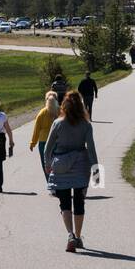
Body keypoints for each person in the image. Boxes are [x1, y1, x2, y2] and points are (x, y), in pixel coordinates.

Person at [44, 91, 99, 252]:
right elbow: (92, 150)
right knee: (79, 202)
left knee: (65, 202)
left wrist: (48, 165)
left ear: (64, 106)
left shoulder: (58, 123)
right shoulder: (86, 125)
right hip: (81, 167)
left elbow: (47, 149)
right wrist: (96, 173)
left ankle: (70, 234)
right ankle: (79, 236)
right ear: (81, 106)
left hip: (61, 167)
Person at [29, 91, 61, 185]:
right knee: (57, 162)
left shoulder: (42, 113)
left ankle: (50, 183)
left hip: (43, 141)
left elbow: (36, 129)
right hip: (57, 141)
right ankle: (58, 182)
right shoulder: (60, 111)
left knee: (45, 163)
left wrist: (33, 143)